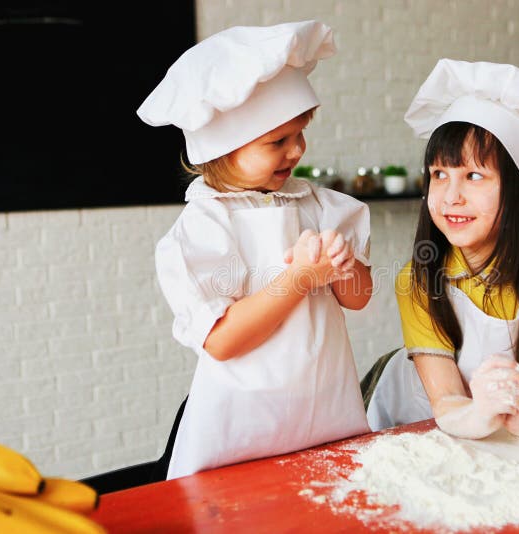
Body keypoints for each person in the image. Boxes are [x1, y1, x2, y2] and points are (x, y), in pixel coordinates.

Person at [137, 21, 372, 480]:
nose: (296, 150)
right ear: (222, 150)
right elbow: (222, 341)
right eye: (277, 142)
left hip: (326, 421)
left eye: (300, 133)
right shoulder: (206, 225)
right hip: (240, 441)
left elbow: (359, 298)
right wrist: (300, 278)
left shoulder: (319, 204)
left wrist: (343, 265)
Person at [365, 59, 519, 440]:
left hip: (482, 425)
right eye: (439, 175)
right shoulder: (418, 279)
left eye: (473, 175)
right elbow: (448, 401)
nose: (452, 197)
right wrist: (482, 412)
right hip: (407, 418)